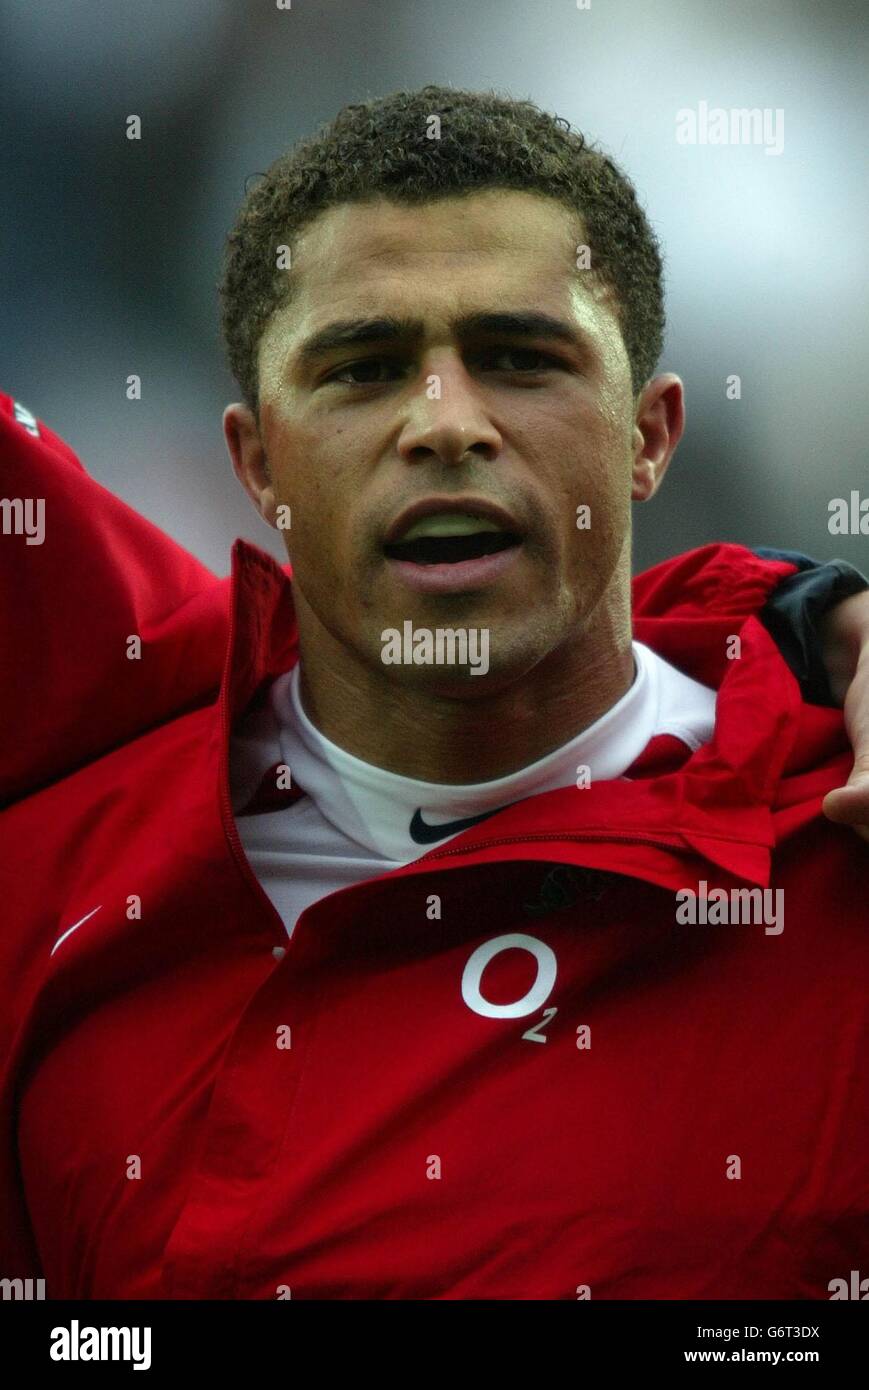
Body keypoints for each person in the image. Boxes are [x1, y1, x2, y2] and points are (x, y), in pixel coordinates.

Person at [1, 85, 867, 1301]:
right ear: (256, 464)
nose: (444, 422)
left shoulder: (833, 850)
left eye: (521, 359)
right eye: (362, 369)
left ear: (649, 435)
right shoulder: (59, 881)